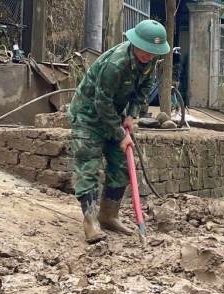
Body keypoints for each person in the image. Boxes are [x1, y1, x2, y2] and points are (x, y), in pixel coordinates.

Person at [69, 20, 166, 243]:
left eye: (154, 51)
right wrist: (122, 134)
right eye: (146, 49)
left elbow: (144, 89)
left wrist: (131, 115)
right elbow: (101, 102)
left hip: (114, 114)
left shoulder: (149, 61)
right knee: (88, 166)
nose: (149, 55)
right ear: (135, 43)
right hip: (88, 116)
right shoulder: (116, 63)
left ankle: (108, 215)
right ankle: (90, 221)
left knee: (122, 164)